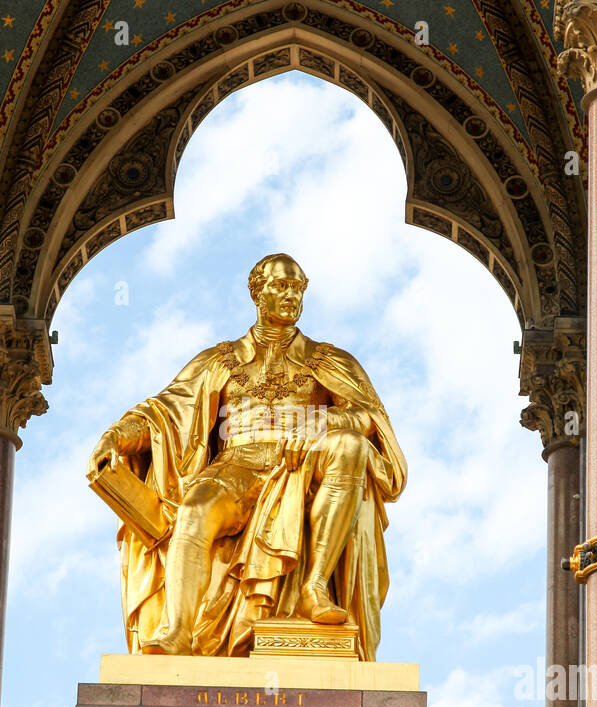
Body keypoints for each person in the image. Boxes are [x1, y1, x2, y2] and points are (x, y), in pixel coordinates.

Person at [87, 253, 406, 659]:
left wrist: (317, 426)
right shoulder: (219, 361)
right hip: (236, 466)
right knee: (195, 511)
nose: (291, 296)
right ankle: (177, 632)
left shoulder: (329, 360)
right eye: (280, 286)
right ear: (258, 293)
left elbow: (368, 417)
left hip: (304, 465)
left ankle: (315, 586)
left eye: (297, 288)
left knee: (351, 446)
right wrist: (116, 437)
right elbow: (164, 411)